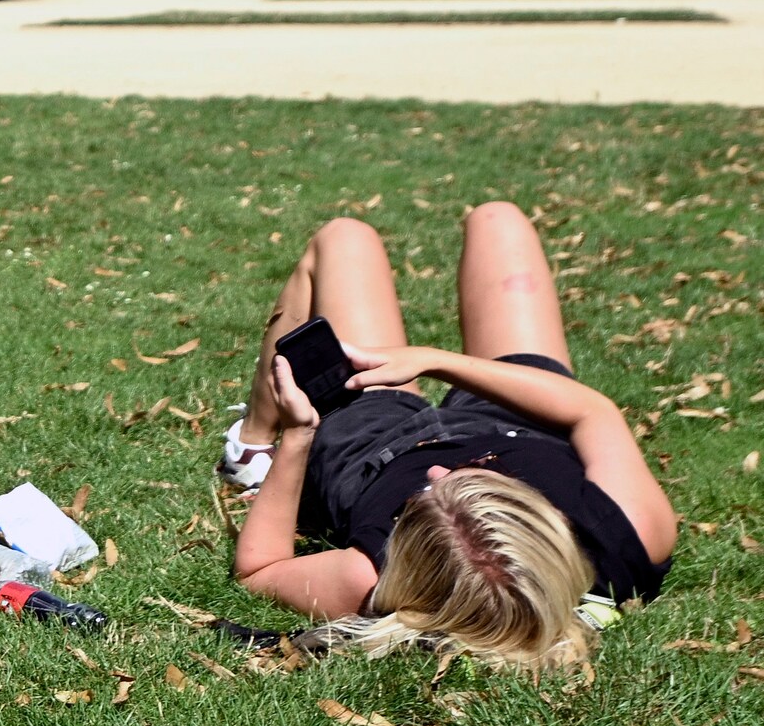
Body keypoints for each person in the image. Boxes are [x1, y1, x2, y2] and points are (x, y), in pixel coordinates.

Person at [218, 203, 675, 667]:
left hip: (377, 449)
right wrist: (437, 361)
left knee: (344, 238)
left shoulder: (368, 576)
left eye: (419, 500)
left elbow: (260, 568)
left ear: (406, 564)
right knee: (499, 220)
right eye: (487, 480)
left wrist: (298, 435)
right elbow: (591, 411)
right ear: (545, 523)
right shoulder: (626, 532)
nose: (439, 468)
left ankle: (249, 448)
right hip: (525, 422)